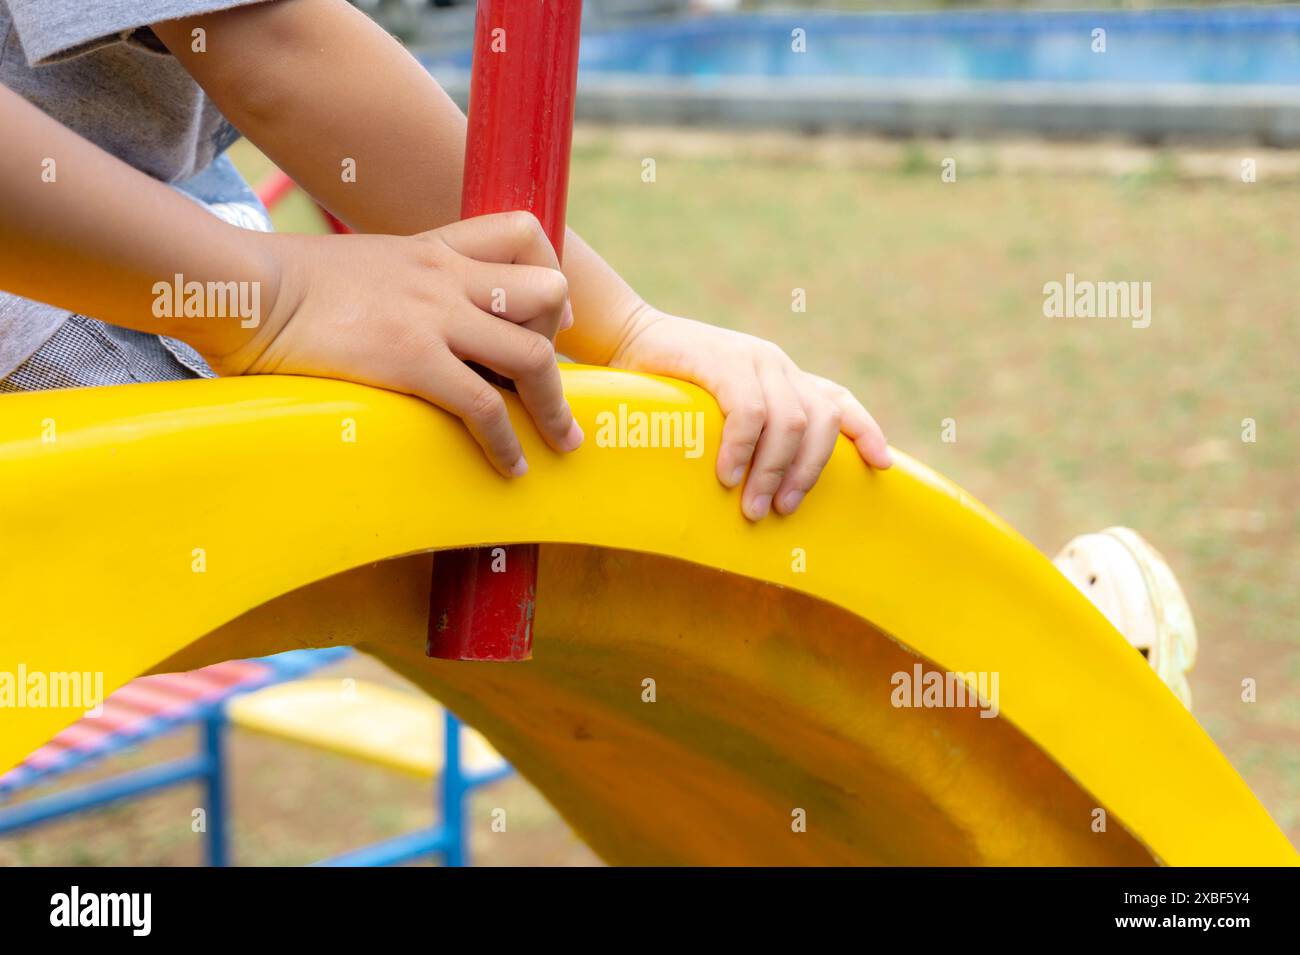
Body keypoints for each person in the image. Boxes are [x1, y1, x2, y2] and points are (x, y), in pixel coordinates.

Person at [0, 0, 1195, 704]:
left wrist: (625, 327)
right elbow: (273, 44)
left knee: (525, 395)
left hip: (121, 254)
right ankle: (994, 660)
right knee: (507, 445)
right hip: (60, 299)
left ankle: (983, 637)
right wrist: (268, 296)